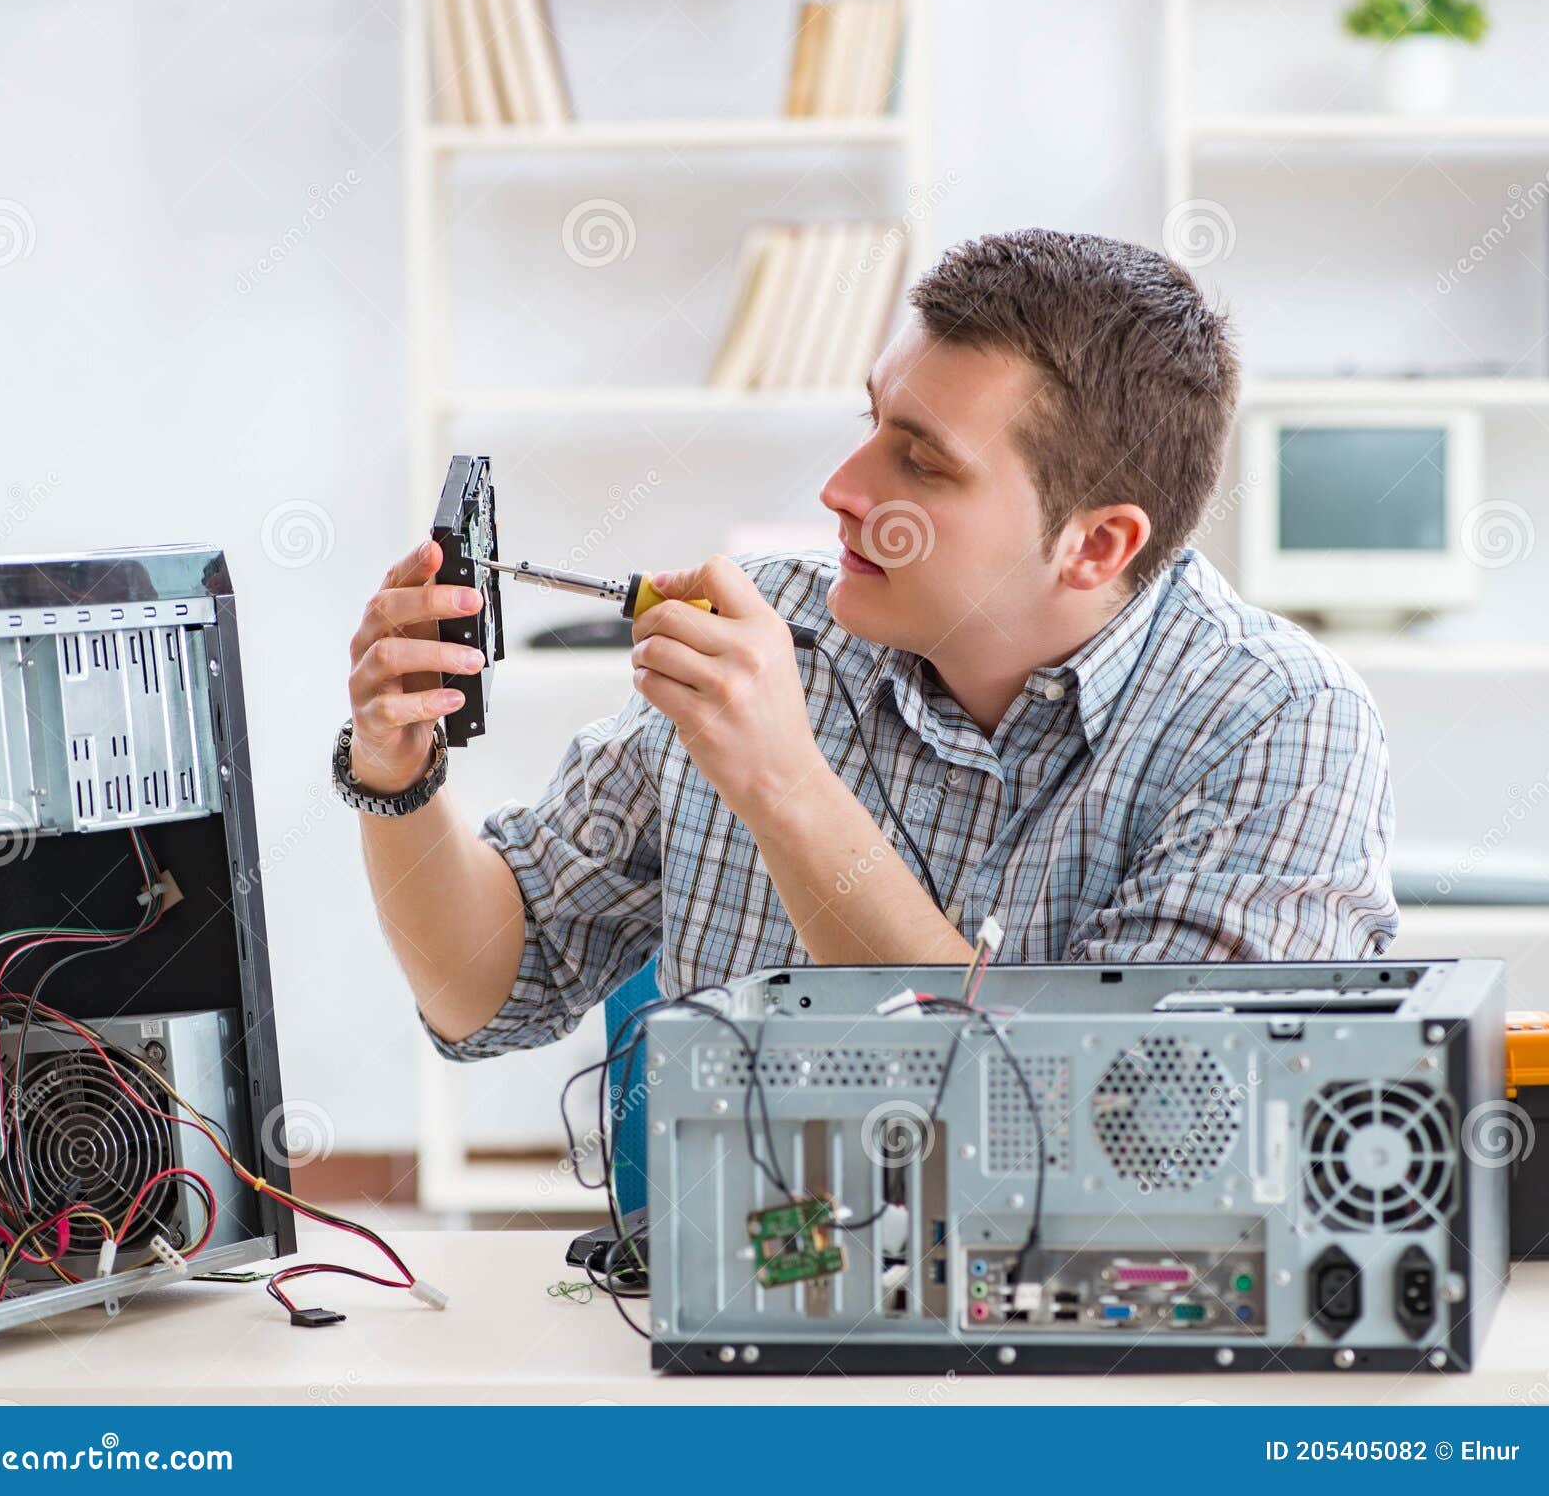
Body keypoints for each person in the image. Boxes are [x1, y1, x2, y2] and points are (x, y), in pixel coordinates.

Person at [337, 228, 1397, 1061]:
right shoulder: (776, 629)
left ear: (1094, 543)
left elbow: (1117, 1121)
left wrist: (783, 784)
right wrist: (398, 773)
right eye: (870, 421)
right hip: (734, 1313)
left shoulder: (1277, 724)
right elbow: (486, 988)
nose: (842, 491)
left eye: (921, 462)